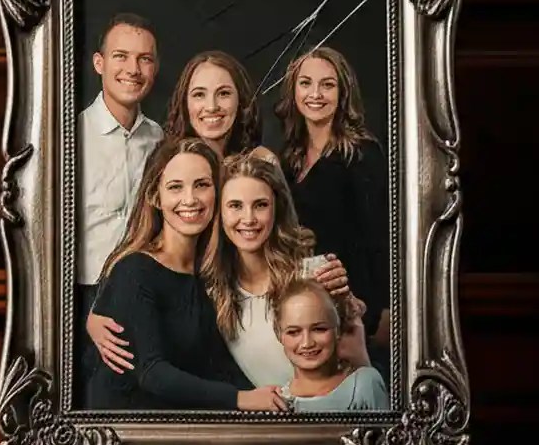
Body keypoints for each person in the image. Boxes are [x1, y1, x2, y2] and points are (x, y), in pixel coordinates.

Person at [86, 152, 368, 389]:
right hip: (255, 431)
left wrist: (350, 306)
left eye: (260, 205)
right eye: (235, 206)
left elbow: (360, 371)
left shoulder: (310, 274)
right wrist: (96, 315)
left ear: (276, 209)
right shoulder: (210, 285)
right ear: (218, 213)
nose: (249, 219)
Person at [83, 137, 288, 412]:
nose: (189, 199)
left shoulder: (209, 274)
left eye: (202, 185)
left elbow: (220, 365)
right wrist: (243, 399)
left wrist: (274, 400)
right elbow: (153, 373)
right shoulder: (134, 270)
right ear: (155, 197)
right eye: (175, 187)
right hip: (126, 438)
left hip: (184, 434)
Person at [273, 46, 390, 344]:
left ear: (343, 93)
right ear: (294, 90)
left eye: (327, 84)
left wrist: (376, 310)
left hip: (355, 303)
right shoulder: (290, 158)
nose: (316, 94)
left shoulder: (362, 153)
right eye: (306, 83)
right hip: (308, 300)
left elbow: (380, 238)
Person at [75, 13, 165, 337]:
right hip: (81, 297)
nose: (133, 70)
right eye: (121, 56)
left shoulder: (160, 140)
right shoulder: (70, 136)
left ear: (155, 68)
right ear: (99, 63)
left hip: (145, 293)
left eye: (144, 59)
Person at [273, 278, 389, 412]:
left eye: (319, 329)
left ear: (338, 330)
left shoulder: (366, 384)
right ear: (278, 333)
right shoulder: (276, 402)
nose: (307, 343)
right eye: (293, 332)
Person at [163, 50, 278, 165]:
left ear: (241, 99)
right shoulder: (169, 165)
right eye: (199, 95)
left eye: (223, 93)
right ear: (185, 103)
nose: (212, 107)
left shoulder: (261, 162)